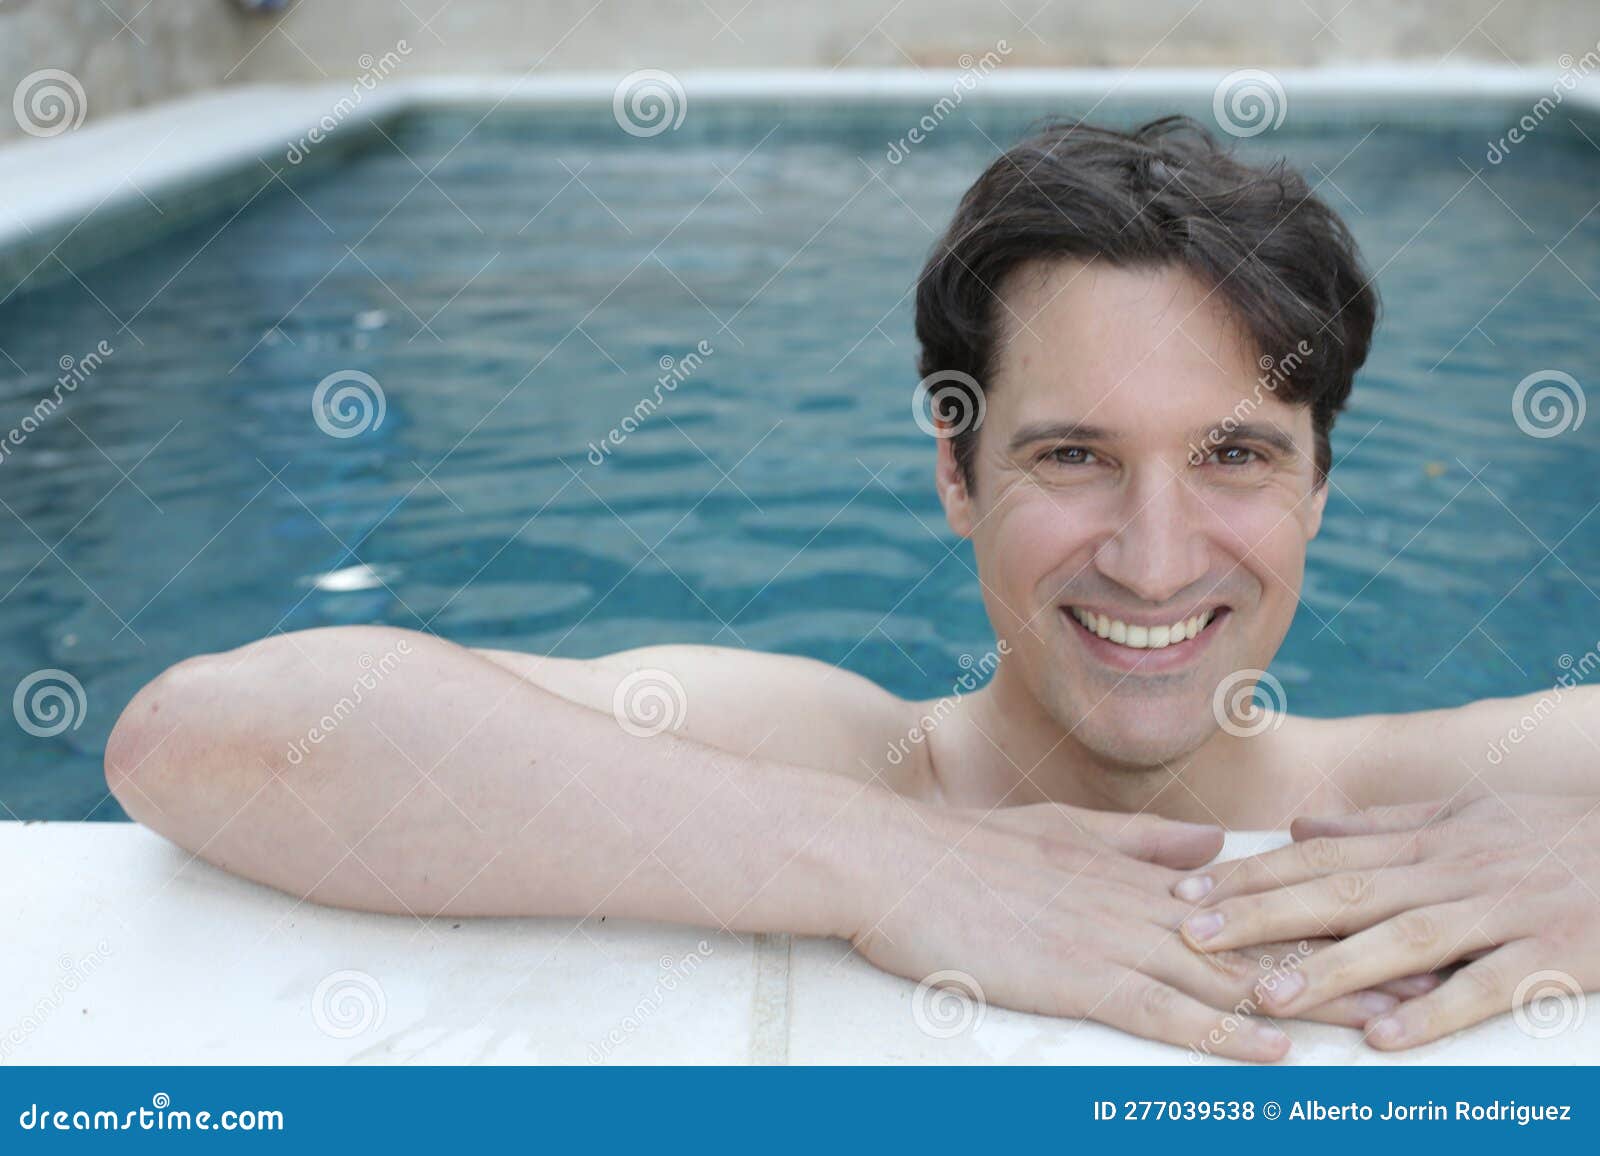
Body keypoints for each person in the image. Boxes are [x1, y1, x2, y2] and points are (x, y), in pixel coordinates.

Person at [104, 117, 1600, 1063]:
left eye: (1233, 456)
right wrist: (896, 866)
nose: (1156, 555)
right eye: (1073, 455)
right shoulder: (844, 763)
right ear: (955, 473)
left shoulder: (1421, 798)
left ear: (1320, 483)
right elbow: (208, 733)